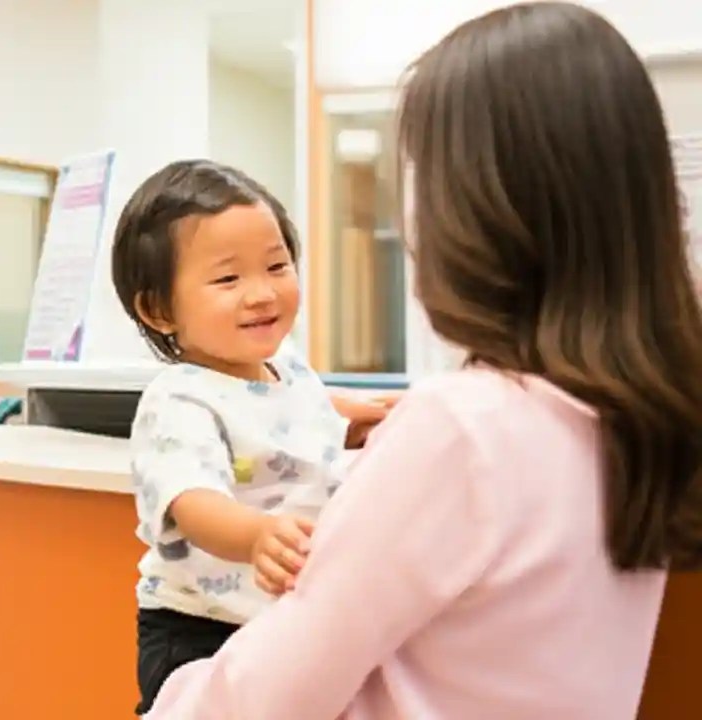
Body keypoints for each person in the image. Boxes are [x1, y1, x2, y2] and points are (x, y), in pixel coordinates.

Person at [144, 3, 702, 718]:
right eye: (226, 279)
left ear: (476, 206)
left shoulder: (465, 430)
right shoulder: (642, 411)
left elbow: (257, 700)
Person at [110, 159, 394, 715]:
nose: (262, 293)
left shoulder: (286, 370)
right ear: (158, 308)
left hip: (280, 622)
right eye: (227, 279)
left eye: (276, 266)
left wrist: (366, 419)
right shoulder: (179, 400)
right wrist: (256, 535)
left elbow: (305, 418)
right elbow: (193, 503)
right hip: (200, 632)